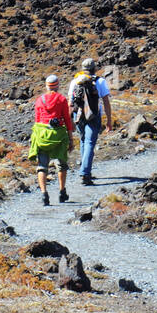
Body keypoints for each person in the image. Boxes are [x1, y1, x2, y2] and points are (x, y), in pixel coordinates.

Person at [29, 74, 74, 206]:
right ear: (58, 85)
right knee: (61, 164)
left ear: (47, 86)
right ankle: (62, 192)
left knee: (42, 166)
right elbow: (67, 119)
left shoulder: (39, 100)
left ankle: (44, 194)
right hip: (58, 135)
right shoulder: (61, 99)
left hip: (42, 135)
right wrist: (70, 139)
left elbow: (37, 120)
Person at [68, 58, 112, 186]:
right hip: (93, 114)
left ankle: (86, 170)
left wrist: (70, 120)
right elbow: (106, 102)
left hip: (78, 114)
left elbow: (70, 102)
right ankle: (85, 173)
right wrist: (109, 120)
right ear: (94, 68)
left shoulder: (75, 81)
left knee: (83, 141)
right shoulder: (100, 81)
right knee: (90, 142)